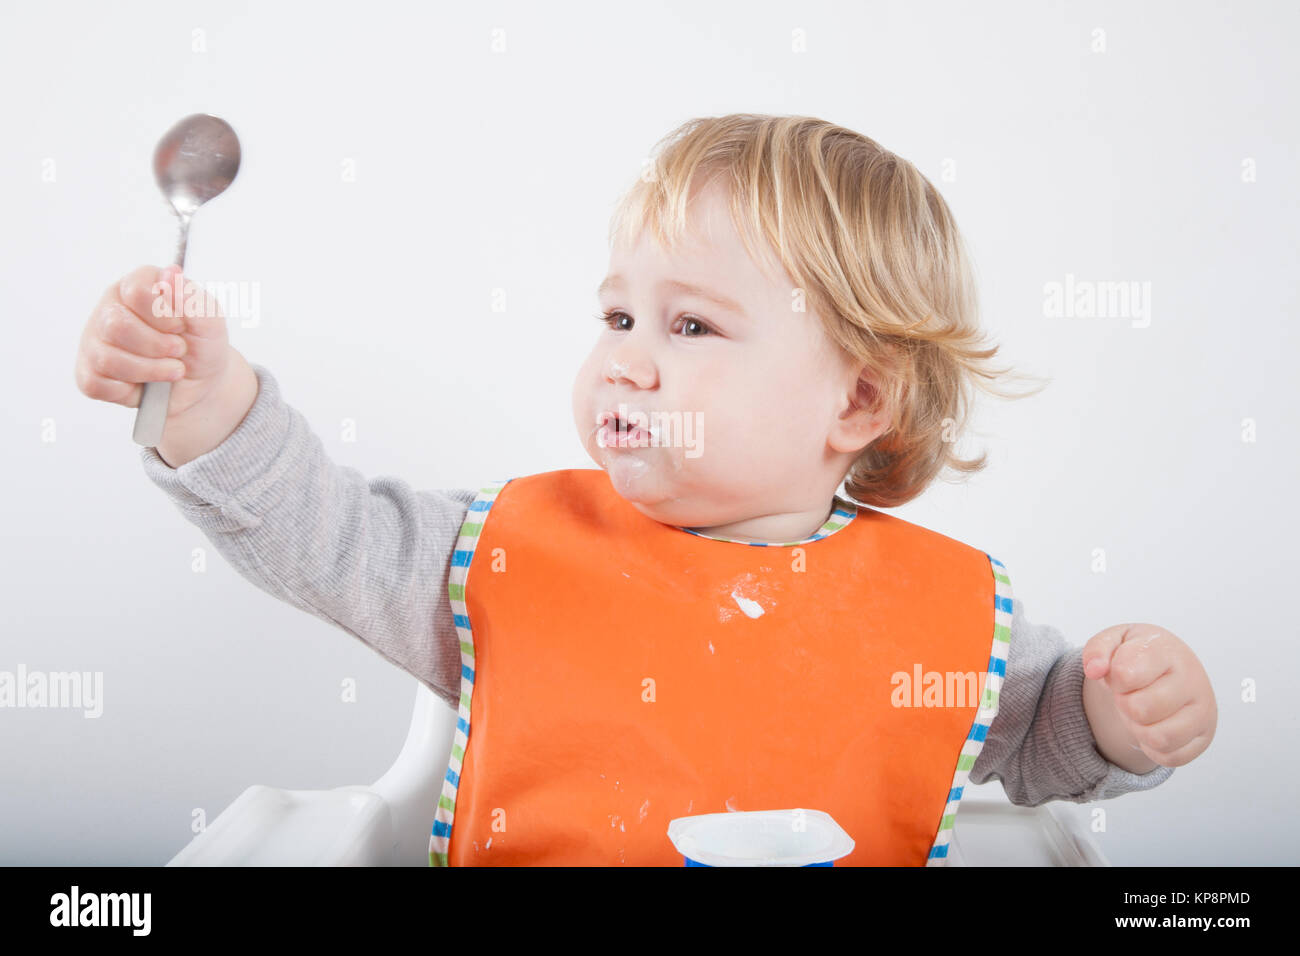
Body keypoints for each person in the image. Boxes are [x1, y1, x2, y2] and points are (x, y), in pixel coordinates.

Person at [74, 113, 1216, 866]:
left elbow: (1042, 746)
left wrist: (1117, 716)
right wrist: (205, 397)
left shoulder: (949, 615)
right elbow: (313, 528)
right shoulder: (504, 552)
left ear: (858, 404)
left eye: (690, 324)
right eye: (617, 316)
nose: (625, 356)